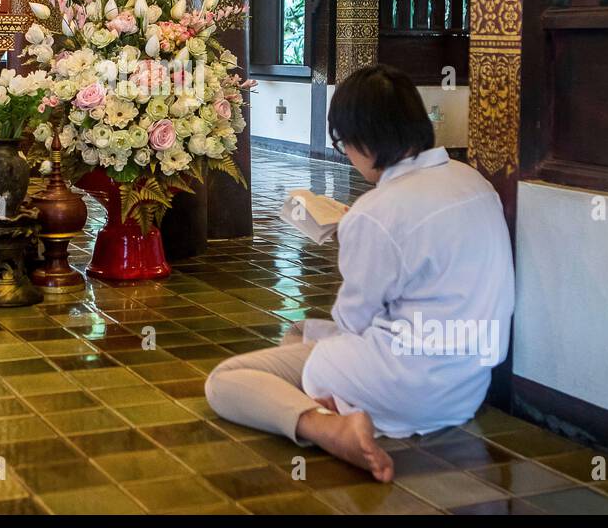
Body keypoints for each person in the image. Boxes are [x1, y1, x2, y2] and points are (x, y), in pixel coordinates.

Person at [204, 64, 515, 481]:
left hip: (402, 383)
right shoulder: (473, 182)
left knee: (226, 381)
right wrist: (363, 232)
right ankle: (325, 405)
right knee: (300, 334)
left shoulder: (379, 213)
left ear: (361, 140)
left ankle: (330, 428)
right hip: (464, 388)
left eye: (343, 145)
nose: (346, 156)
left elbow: (352, 321)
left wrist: (355, 237)